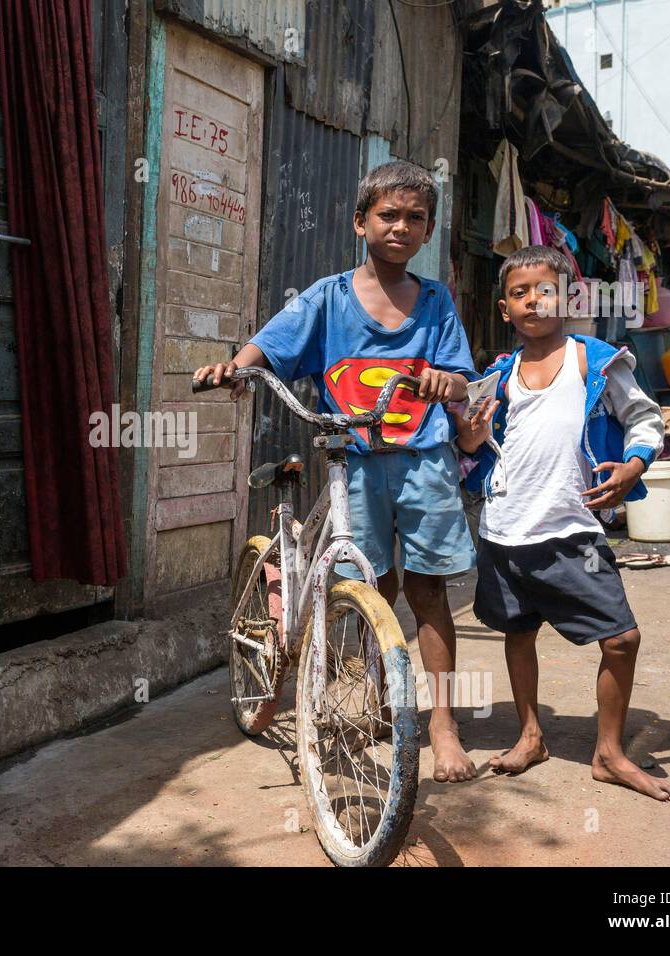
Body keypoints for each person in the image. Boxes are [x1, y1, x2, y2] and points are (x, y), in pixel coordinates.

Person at [193, 160, 485, 784]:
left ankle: (441, 724)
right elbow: (268, 345)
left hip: (424, 460)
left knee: (429, 593)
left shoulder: (434, 302)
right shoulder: (327, 296)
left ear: (428, 230)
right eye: (388, 215)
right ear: (360, 222)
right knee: (371, 587)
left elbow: (462, 378)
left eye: (415, 218)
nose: (401, 227)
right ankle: (376, 698)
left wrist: (445, 381)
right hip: (352, 463)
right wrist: (233, 367)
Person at [453, 244, 670, 801]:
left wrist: (633, 465)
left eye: (544, 289)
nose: (533, 300)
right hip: (504, 527)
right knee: (517, 630)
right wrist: (473, 437)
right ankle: (531, 735)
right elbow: (471, 446)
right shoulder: (497, 376)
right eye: (519, 293)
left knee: (621, 638)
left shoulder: (593, 359)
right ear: (505, 310)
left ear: (568, 296)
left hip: (571, 528)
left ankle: (608, 752)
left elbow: (644, 417)